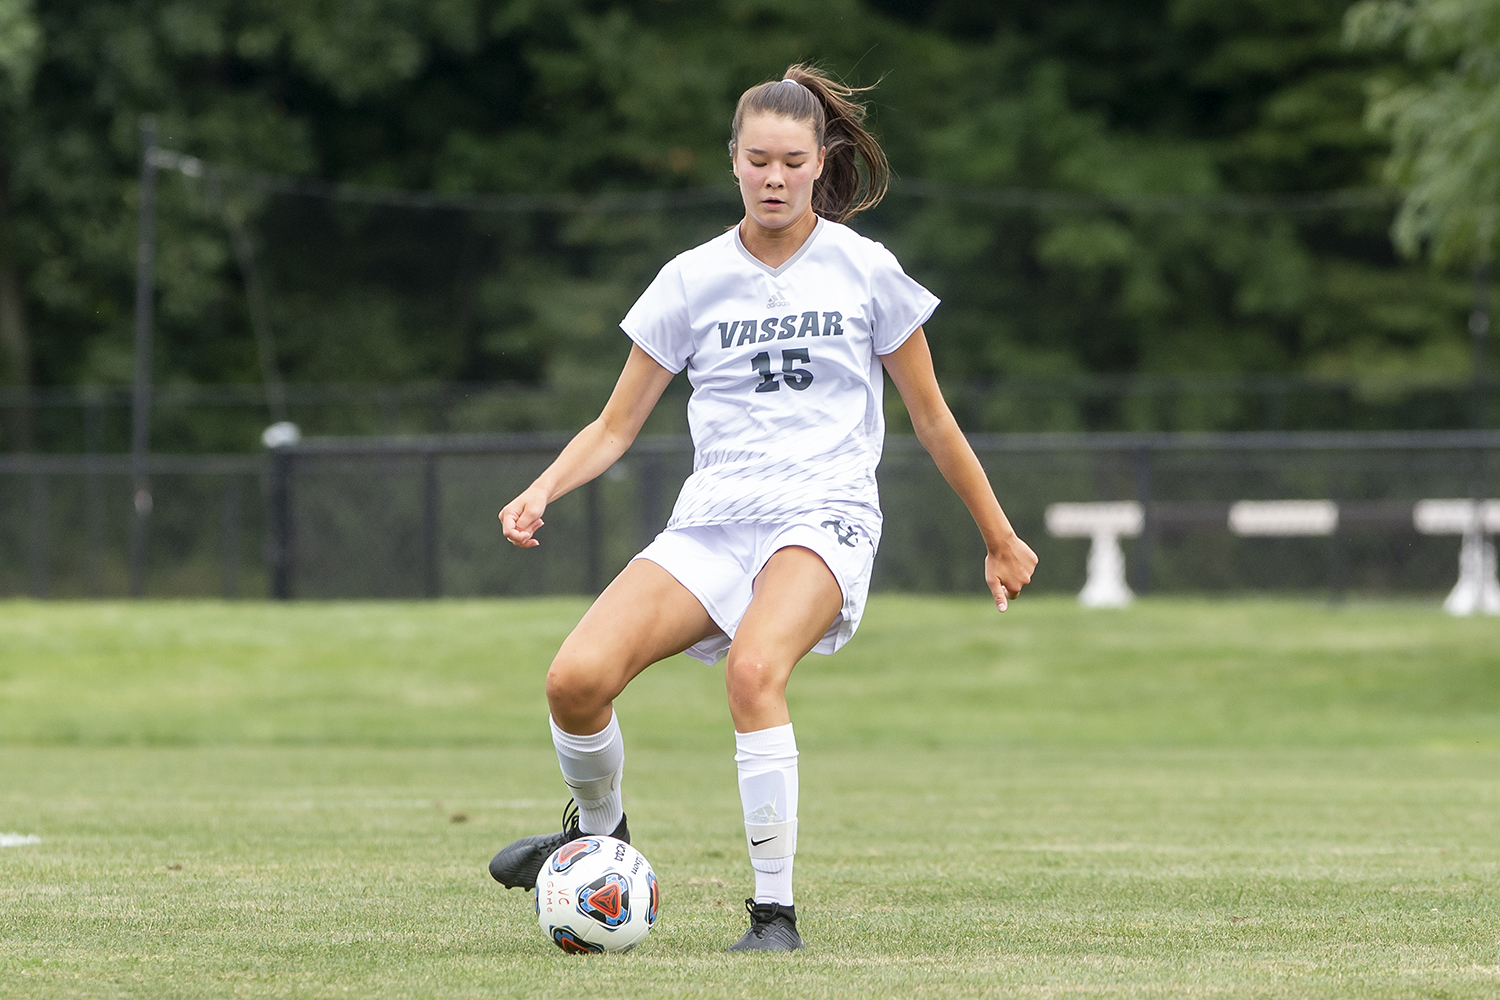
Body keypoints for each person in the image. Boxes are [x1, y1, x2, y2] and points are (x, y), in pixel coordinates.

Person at [487, 64, 1038, 952]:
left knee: (755, 671)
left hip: (824, 513)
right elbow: (615, 423)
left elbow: (932, 419)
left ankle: (773, 915)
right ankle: (602, 839)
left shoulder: (866, 270)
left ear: (821, 162)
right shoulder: (691, 278)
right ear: (733, 163)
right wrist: (543, 487)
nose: (774, 178)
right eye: (757, 161)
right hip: (714, 519)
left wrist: (1000, 536)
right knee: (575, 680)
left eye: (792, 160)